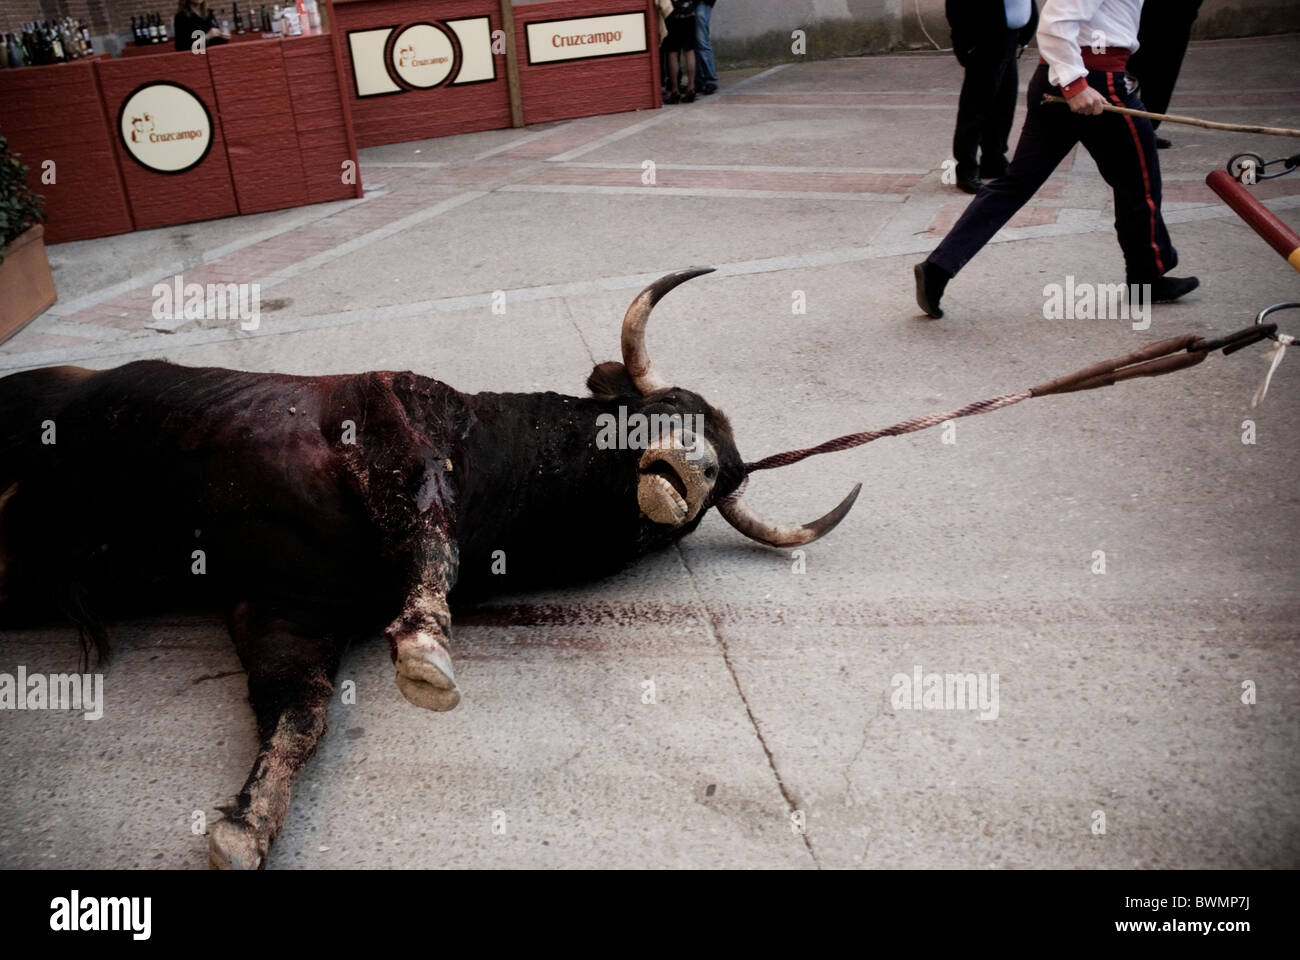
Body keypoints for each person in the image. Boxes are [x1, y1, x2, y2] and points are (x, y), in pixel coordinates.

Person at [914, 0, 1199, 320]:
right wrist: (1076, 84)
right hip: (1093, 78)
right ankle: (1147, 277)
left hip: (1073, 75)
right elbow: (1055, 21)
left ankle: (937, 269)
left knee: (1015, 184)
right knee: (1139, 181)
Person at [945, 1, 1039, 194]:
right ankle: (967, 168)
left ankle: (993, 159)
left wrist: (1026, 32)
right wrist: (964, 45)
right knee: (976, 107)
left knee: (1004, 103)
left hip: (1011, 36)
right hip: (984, 38)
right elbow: (956, 7)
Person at [1126, 0, 1204, 148]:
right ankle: (1124, 127)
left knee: (1165, 75)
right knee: (1131, 69)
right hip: (1142, 15)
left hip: (1177, 15)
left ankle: (1147, 129)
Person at [663, 0, 698, 103]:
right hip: (689, 13)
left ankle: (675, 90)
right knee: (689, 51)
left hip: (673, 15)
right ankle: (691, 88)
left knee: (672, 53)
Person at [695, 0, 719, 96]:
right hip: (693, 4)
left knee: (701, 42)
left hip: (701, 3)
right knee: (697, 43)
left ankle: (710, 79)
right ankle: (699, 80)